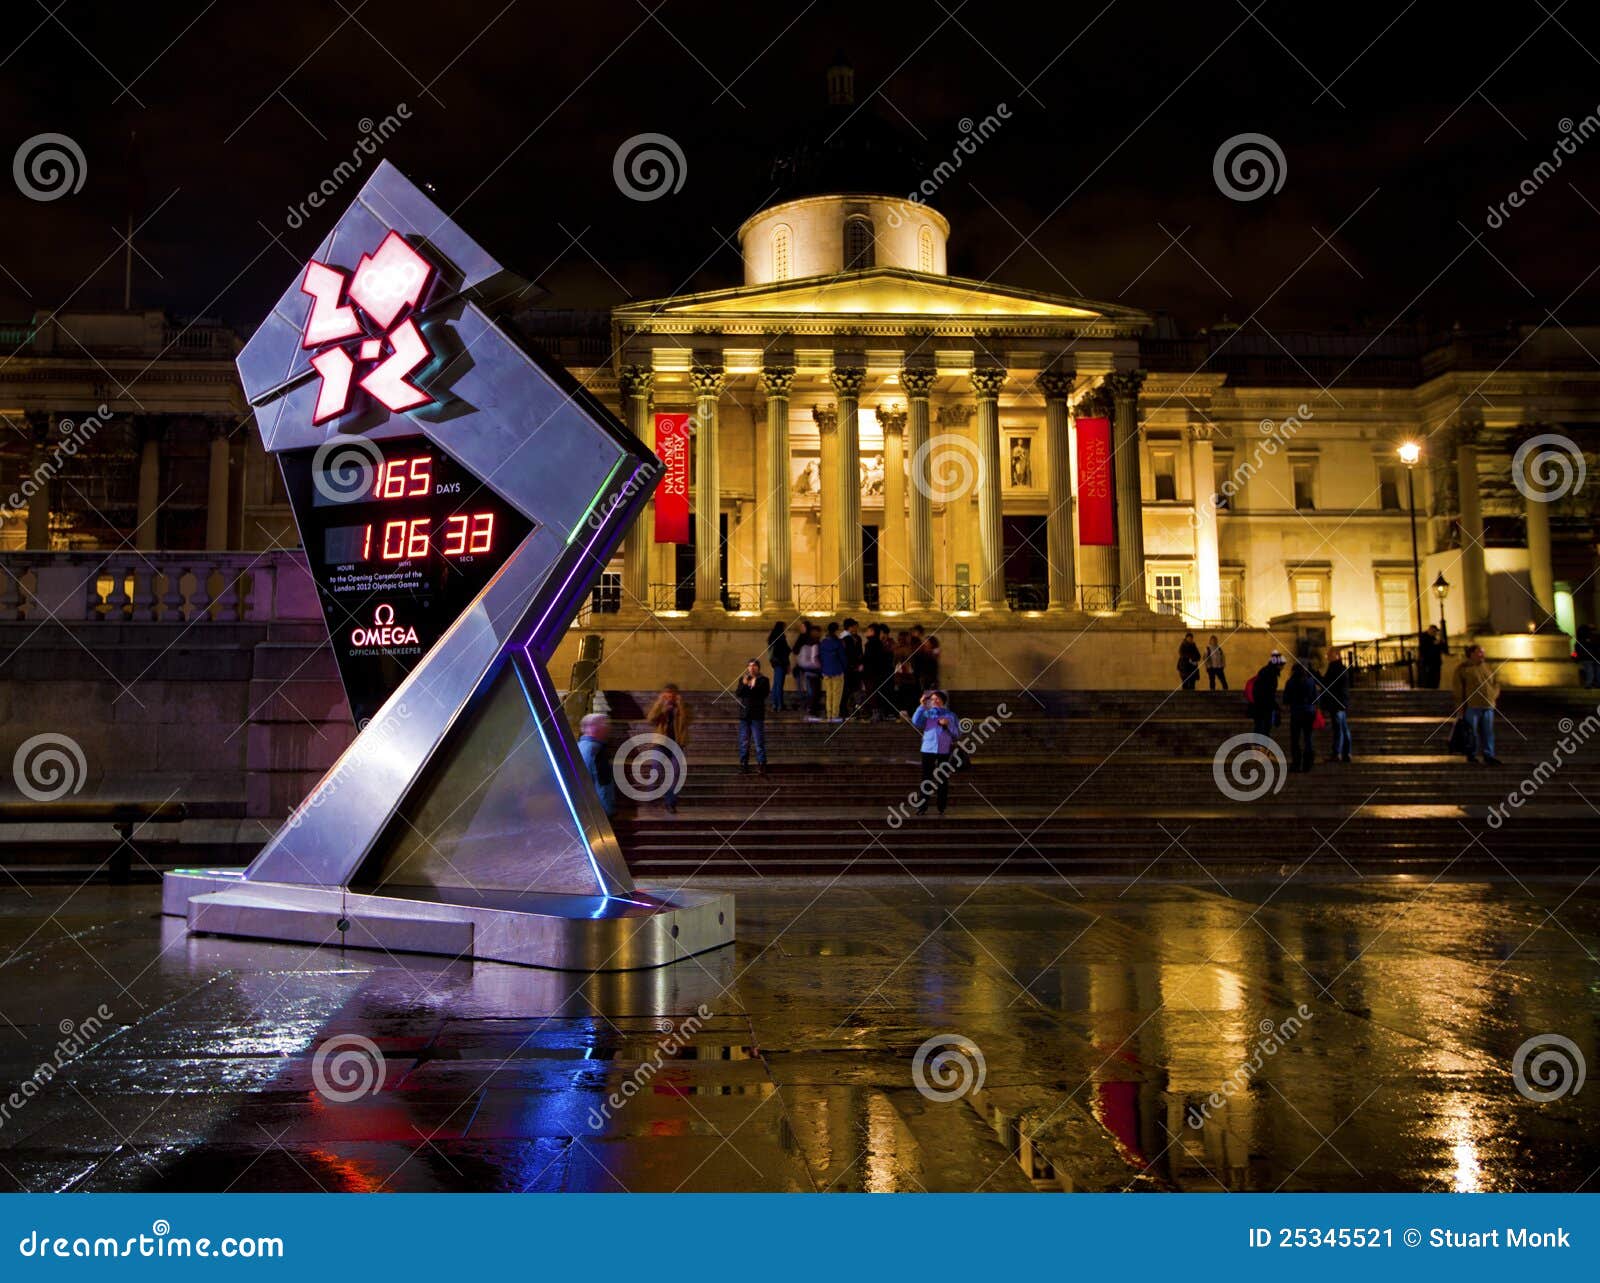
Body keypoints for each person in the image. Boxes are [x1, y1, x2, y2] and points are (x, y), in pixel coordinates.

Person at [911, 689, 960, 816]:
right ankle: (922, 807)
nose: (935, 700)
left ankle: (941, 806)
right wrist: (922, 705)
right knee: (926, 778)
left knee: (943, 779)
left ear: (943, 700)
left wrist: (947, 725)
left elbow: (957, 734)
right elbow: (916, 721)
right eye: (932, 699)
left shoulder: (951, 715)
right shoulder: (927, 713)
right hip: (928, 750)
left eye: (937, 698)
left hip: (944, 750)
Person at [644, 684, 692, 812]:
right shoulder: (661, 705)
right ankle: (652, 794)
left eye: (672, 694)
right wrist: (660, 704)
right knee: (656, 768)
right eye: (667, 694)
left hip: (677, 745)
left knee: (675, 774)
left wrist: (680, 705)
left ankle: (670, 802)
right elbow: (650, 718)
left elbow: (687, 720)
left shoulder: (683, 707)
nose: (670, 696)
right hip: (661, 744)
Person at [1451, 644, 1501, 766]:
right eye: (1479, 652)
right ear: (1472, 654)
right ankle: (1471, 754)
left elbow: (1496, 683)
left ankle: (1489, 754)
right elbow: (1459, 688)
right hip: (1472, 705)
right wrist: (1461, 705)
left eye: (1483, 652)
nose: (1482, 654)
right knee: (1472, 732)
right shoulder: (1463, 669)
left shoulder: (1488, 668)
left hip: (1488, 705)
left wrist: (1493, 696)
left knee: (1488, 732)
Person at [1282, 656, 1321, 773]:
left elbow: (1286, 699)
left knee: (1295, 739)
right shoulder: (1310, 681)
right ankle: (1307, 763)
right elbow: (1316, 698)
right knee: (1308, 738)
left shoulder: (1290, 682)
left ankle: (1296, 763)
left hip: (1296, 713)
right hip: (1309, 712)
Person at [734, 658, 770, 774]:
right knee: (744, 741)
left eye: (754, 666)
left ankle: (761, 764)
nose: (751, 668)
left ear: (758, 668)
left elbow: (764, 694)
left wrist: (754, 686)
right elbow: (739, 693)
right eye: (749, 666)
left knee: (759, 742)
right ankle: (744, 764)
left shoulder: (764, 680)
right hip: (745, 715)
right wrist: (745, 685)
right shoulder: (743, 679)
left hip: (757, 715)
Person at [576, 712, 615, 816]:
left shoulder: (578, 746)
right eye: (605, 724)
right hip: (597, 812)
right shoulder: (596, 751)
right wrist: (608, 812)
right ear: (593, 727)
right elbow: (603, 784)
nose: (608, 728)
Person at [1320, 647, 1353, 762]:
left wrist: (1317, 677)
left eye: (1330, 654)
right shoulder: (1341, 668)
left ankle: (1337, 753)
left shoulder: (1335, 668)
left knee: (1339, 728)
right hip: (1341, 702)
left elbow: (1327, 685)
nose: (1327, 657)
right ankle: (1346, 752)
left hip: (1336, 703)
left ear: (1337, 655)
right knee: (1343, 728)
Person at [1248, 649, 1285, 739]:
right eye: (1282, 665)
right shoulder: (1271, 674)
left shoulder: (1265, 671)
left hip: (1260, 706)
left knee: (1260, 729)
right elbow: (1268, 693)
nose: (1283, 667)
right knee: (1263, 729)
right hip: (1264, 707)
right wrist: (1275, 706)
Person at [819, 622, 847, 722]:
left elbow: (821, 657)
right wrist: (844, 668)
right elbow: (843, 657)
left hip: (826, 671)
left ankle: (829, 714)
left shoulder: (823, 642)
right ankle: (835, 715)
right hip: (837, 670)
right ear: (836, 630)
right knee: (837, 694)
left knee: (828, 693)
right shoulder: (838, 643)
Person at [795, 625, 822, 720]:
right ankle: (811, 710)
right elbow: (814, 659)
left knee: (813, 692)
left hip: (809, 671)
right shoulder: (813, 644)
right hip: (812, 671)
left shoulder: (810, 643)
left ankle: (811, 709)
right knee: (813, 692)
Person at [841, 618, 865, 719]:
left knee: (854, 690)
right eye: (855, 626)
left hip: (853, 668)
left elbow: (859, 652)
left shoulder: (856, 638)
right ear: (850, 627)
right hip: (849, 669)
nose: (856, 628)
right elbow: (850, 654)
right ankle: (845, 710)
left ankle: (854, 709)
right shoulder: (845, 638)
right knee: (848, 690)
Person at [766, 621, 791, 713]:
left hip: (776, 664)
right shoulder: (781, 638)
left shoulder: (772, 638)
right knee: (779, 685)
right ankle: (779, 704)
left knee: (776, 684)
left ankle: (775, 704)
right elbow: (784, 652)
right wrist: (787, 664)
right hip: (781, 664)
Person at [1418, 625, 1445, 689]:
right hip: (1429, 664)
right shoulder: (1425, 638)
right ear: (1430, 630)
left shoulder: (1433, 639)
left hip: (1435, 664)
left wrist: (1440, 643)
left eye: (1436, 632)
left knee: (1435, 681)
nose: (1435, 633)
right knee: (1429, 682)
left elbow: (1440, 649)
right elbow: (1425, 651)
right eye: (1434, 631)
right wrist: (1435, 644)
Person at [1577, 624, 1598, 690]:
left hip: (1587, 657)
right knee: (1590, 670)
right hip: (1589, 657)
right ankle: (1590, 683)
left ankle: (1590, 683)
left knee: (1589, 670)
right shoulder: (1590, 638)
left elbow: (1577, 649)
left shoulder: (1582, 639)